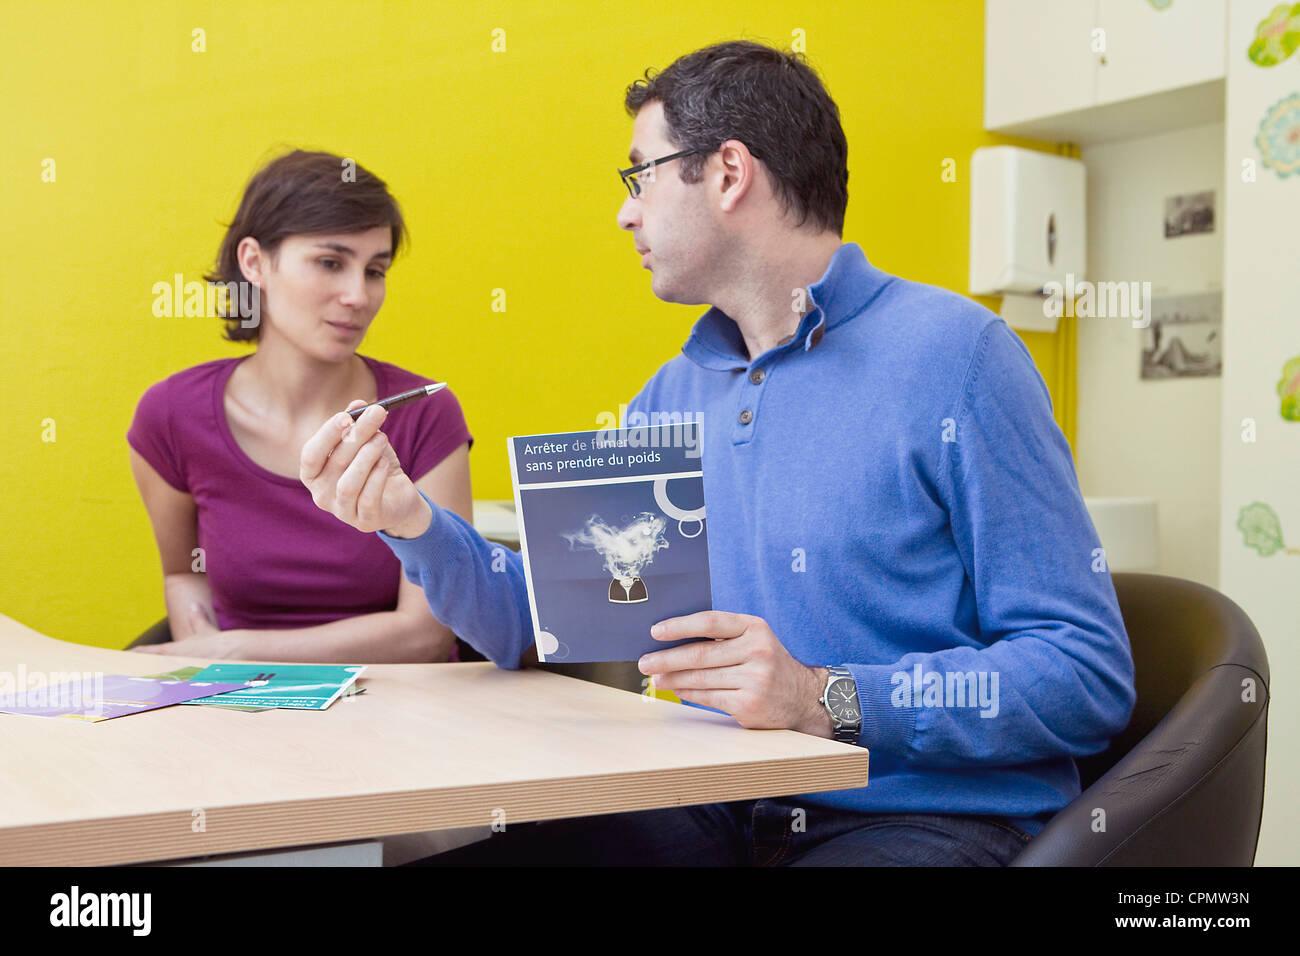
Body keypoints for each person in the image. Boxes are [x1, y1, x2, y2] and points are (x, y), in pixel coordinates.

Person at [300, 41, 1136, 864]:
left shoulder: (961, 359)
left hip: (917, 824)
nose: (625, 212)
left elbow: (1085, 674)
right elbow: (538, 626)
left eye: (641, 176)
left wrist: (824, 698)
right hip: (707, 808)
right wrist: (409, 522)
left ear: (729, 172)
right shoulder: (673, 392)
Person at [128, 150, 472, 663]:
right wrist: (205, 656)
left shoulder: (425, 415)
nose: (358, 295)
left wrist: (236, 651)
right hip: (240, 711)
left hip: (401, 713)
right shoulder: (171, 416)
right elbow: (184, 573)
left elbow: (425, 634)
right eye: (330, 262)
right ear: (254, 262)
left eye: (374, 270)